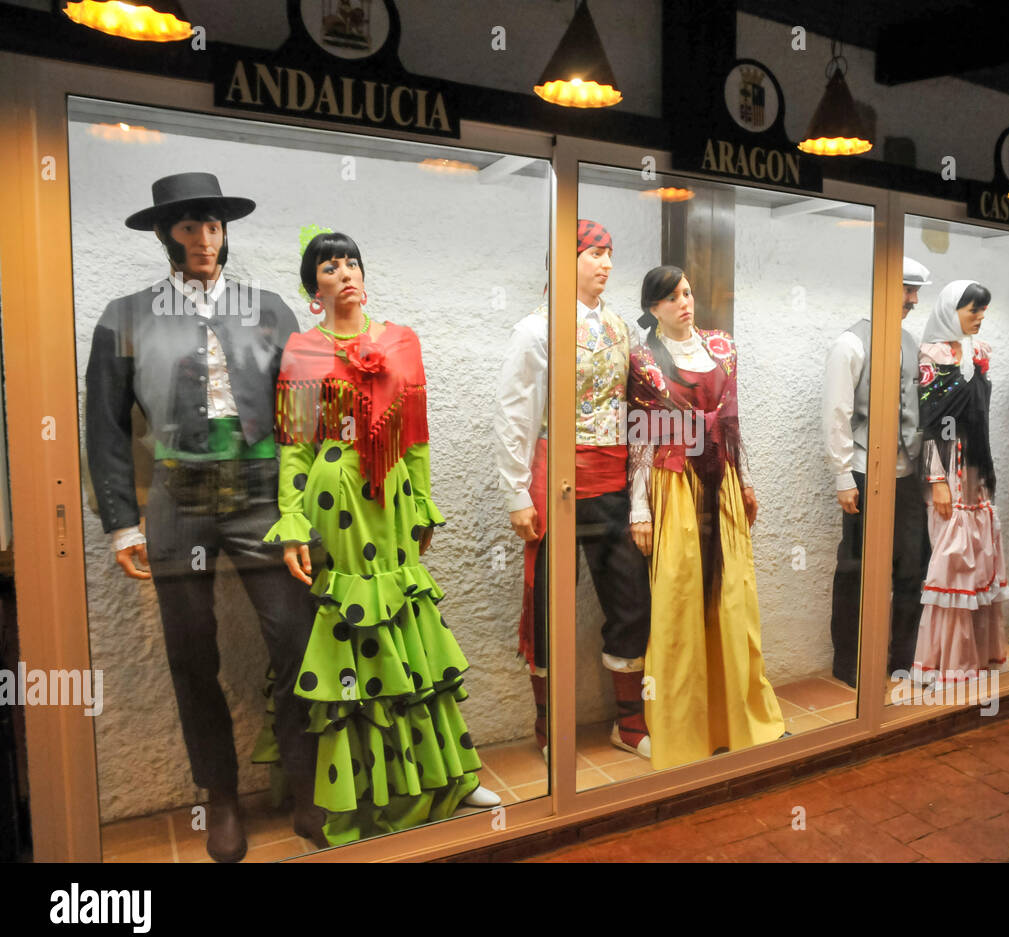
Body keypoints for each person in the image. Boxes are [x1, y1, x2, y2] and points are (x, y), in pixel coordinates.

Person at [85, 172, 317, 863]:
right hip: (178, 498)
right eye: (189, 226)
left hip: (263, 494)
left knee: (297, 640)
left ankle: (306, 783)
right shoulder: (124, 315)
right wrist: (123, 521)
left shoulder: (270, 308)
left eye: (213, 226)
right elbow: (104, 425)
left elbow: (301, 416)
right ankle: (218, 795)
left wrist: (301, 507)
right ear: (165, 235)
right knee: (191, 654)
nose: (204, 239)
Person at [265, 230, 498, 846]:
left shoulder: (401, 342)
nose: (344, 272)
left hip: (391, 499)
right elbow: (294, 447)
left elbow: (416, 437)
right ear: (312, 285)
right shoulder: (303, 352)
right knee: (354, 628)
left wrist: (421, 505)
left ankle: (445, 776)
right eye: (329, 265)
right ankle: (362, 792)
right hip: (336, 500)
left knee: (409, 622)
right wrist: (292, 523)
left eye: (351, 262)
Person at [493, 220, 652, 763]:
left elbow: (632, 411)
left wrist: (641, 493)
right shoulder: (537, 330)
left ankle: (629, 723)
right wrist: (515, 492)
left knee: (632, 600)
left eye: (609, 253)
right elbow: (516, 414)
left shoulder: (620, 328)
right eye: (593, 253)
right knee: (549, 605)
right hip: (556, 482)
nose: (605, 264)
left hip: (612, 480)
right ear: (565, 260)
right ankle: (549, 726)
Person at [628, 266, 786, 771]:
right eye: (671, 297)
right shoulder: (644, 360)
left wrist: (745, 480)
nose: (684, 303)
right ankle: (686, 727)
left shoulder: (723, 348)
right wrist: (639, 508)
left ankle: (736, 718)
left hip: (722, 485)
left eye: (688, 293)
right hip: (675, 485)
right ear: (653, 308)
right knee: (680, 602)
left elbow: (733, 420)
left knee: (732, 599)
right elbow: (639, 437)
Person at [822, 256, 932, 686]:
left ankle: (900, 658)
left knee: (911, 568)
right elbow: (836, 412)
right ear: (882, 286)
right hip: (866, 471)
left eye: (916, 291)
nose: (913, 299)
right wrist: (842, 475)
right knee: (857, 569)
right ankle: (848, 664)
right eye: (907, 289)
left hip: (907, 476)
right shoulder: (850, 344)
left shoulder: (910, 341)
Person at [911, 280, 1009, 682]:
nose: (980, 318)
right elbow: (930, 423)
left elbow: (975, 412)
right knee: (953, 560)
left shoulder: (969, 353)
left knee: (978, 555)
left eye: (983, 311)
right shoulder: (931, 356)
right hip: (949, 469)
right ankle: (945, 662)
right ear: (952, 311)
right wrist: (936, 480)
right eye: (973, 311)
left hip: (974, 468)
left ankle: (973, 656)